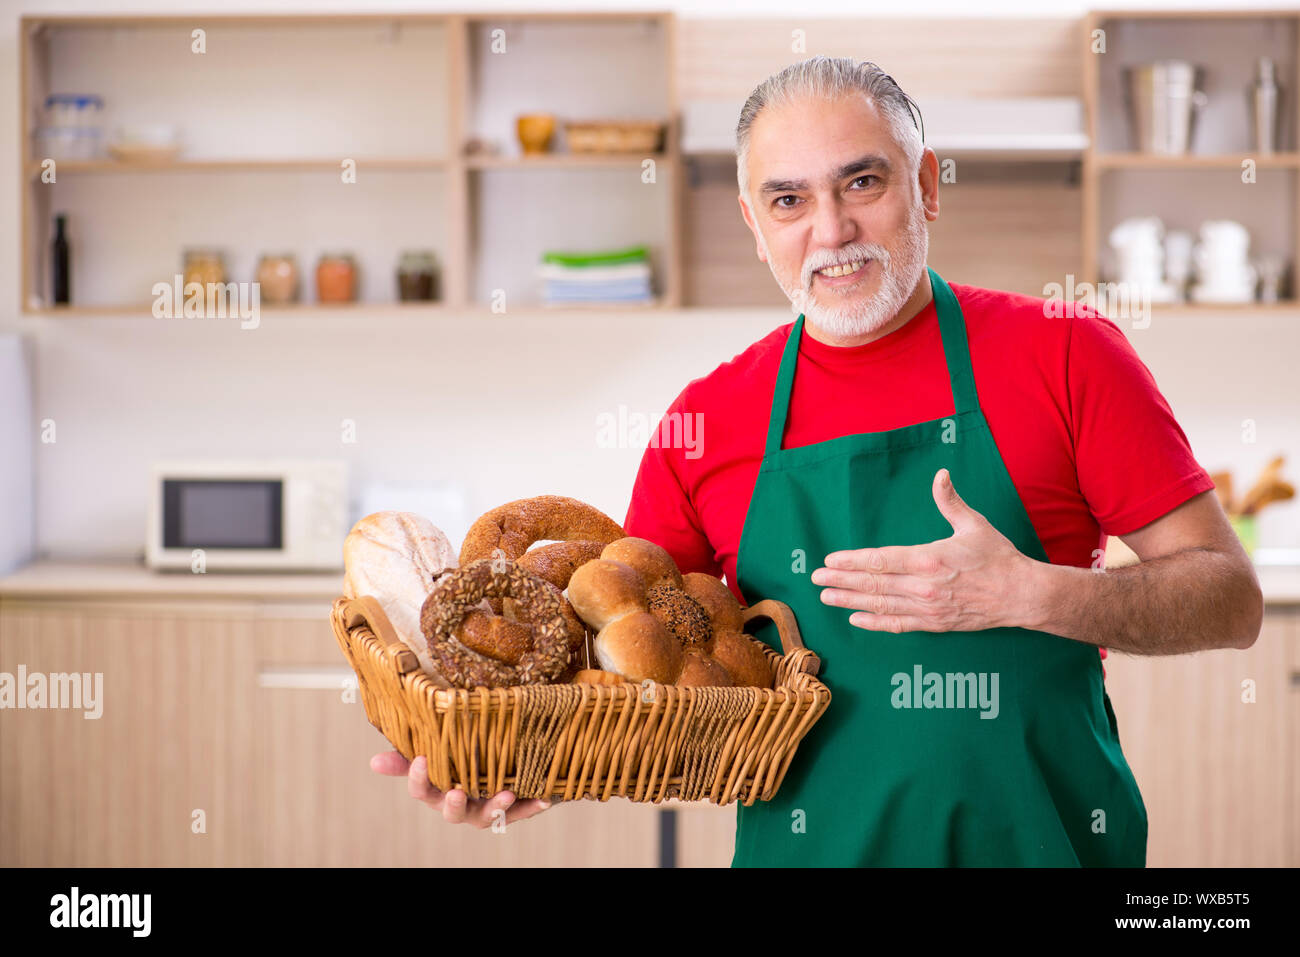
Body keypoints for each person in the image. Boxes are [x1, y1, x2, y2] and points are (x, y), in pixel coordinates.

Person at [375, 57, 1263, 864]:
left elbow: (1230, 597)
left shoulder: (1066, 353)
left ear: (925, 185)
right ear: (756, 224)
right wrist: (530, 767)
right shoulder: (707, 421)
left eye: (862, 182)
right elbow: (634, 682)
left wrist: (1033, 593)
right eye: (789, 200)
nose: (831, 231)